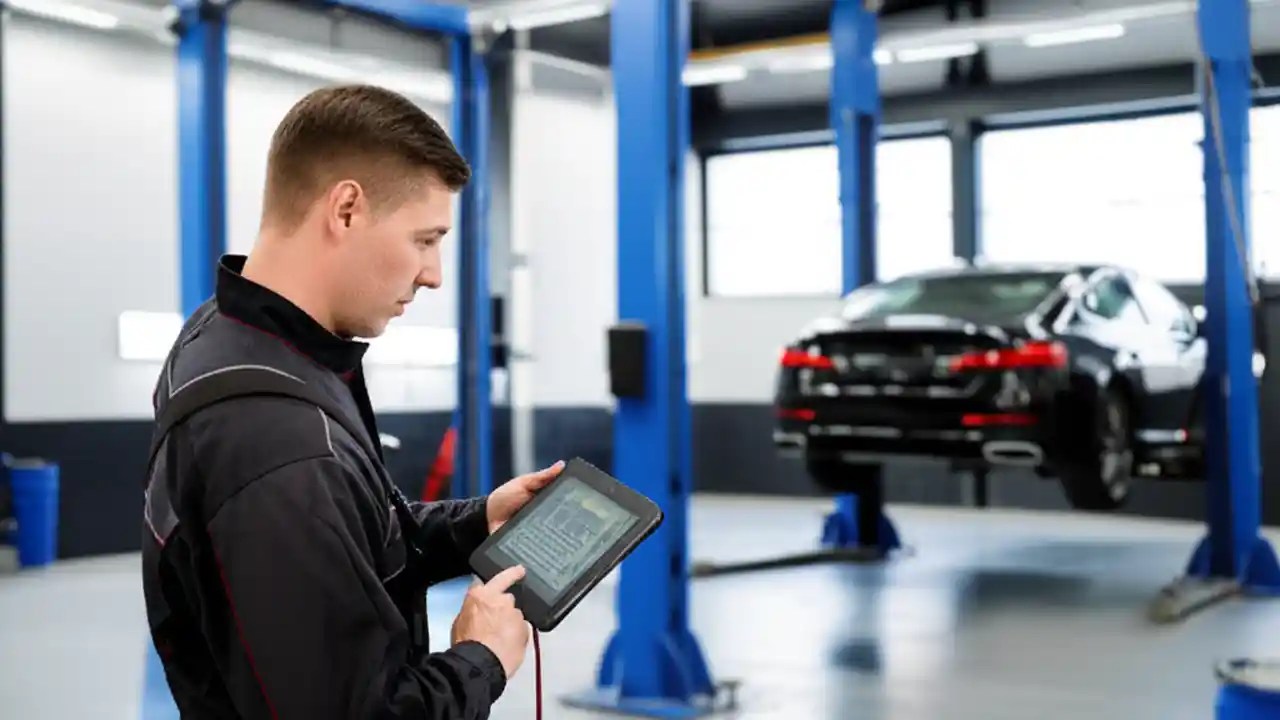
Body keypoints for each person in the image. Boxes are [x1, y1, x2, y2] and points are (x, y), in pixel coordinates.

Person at [141, 84, 561, 719]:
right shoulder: (279, 443)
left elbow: (352, 539)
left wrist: (477, 522)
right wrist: (481, 658)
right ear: (345, 210)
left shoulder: (234, 336)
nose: (434, 273)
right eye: (425, 239)